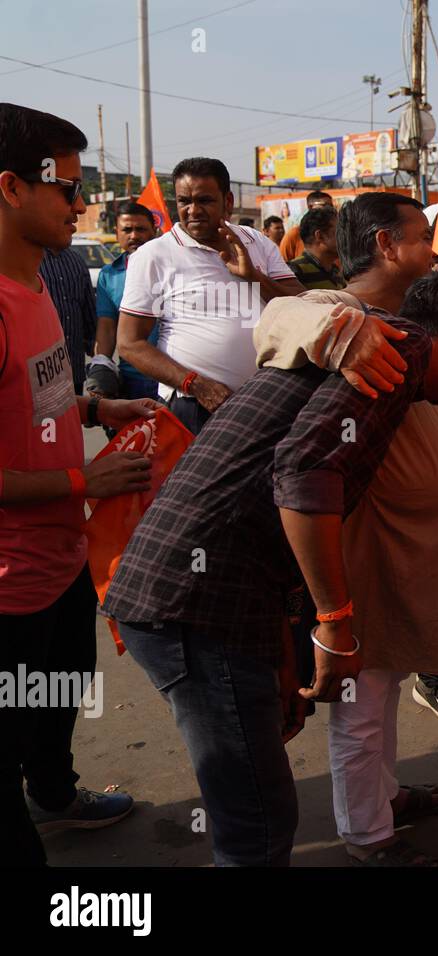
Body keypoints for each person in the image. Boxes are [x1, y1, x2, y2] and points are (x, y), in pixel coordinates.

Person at [103, 265, 438, 867]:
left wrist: (283, 650)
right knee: (256, 820)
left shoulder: (376, 342)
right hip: (193, 600)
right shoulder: (395, 353)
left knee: (260, 805)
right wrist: (335, 622)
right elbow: (304, 475)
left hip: (221, 594)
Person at [0, 102, 160, 866]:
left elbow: (41, 399)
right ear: (9, 188)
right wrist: (82, 476)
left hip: (60, 563)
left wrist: (97, 406)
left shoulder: (37, 287)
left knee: (63, 690)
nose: (82, 205)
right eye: (66, 188)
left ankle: (56, 793)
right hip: (8, 586)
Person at [117, 157, 305, 434]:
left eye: (204, 200)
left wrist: (253, 277)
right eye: (184, 201)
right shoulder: (154, 255)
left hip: (269, 401)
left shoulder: (257, 242)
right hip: (196, 407)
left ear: (227, 201)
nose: (193, 211)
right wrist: (195, 384)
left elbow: (300, 304)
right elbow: (129, 343)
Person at [86, 203, 159, 400]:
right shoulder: (108, 275)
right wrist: (101, 366)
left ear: (155, 230)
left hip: (175, 380)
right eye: (127, 230)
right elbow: (107, 327)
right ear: (117, 233)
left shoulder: (174, 267)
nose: (134, 236)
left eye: (141, 229)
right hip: (132, 381)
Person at [37, 243, 96, 395]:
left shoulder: (76, 260)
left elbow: (88, 309)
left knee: (74, 415)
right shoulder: (30, 261)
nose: (73, 225)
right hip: (42, 372)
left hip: (74, 365)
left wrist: (97, 353)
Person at [287, 205, 345, 290]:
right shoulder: (294, 271)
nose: (345, 238)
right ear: (320, 236)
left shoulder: (336, 272)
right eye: (339, 233)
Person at [279, 190, 334, 261]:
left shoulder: (336, 233)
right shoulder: (294, 234)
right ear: (310, 207)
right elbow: (283, 266)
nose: (329, 210)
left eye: (331, 207)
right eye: (325, 206)